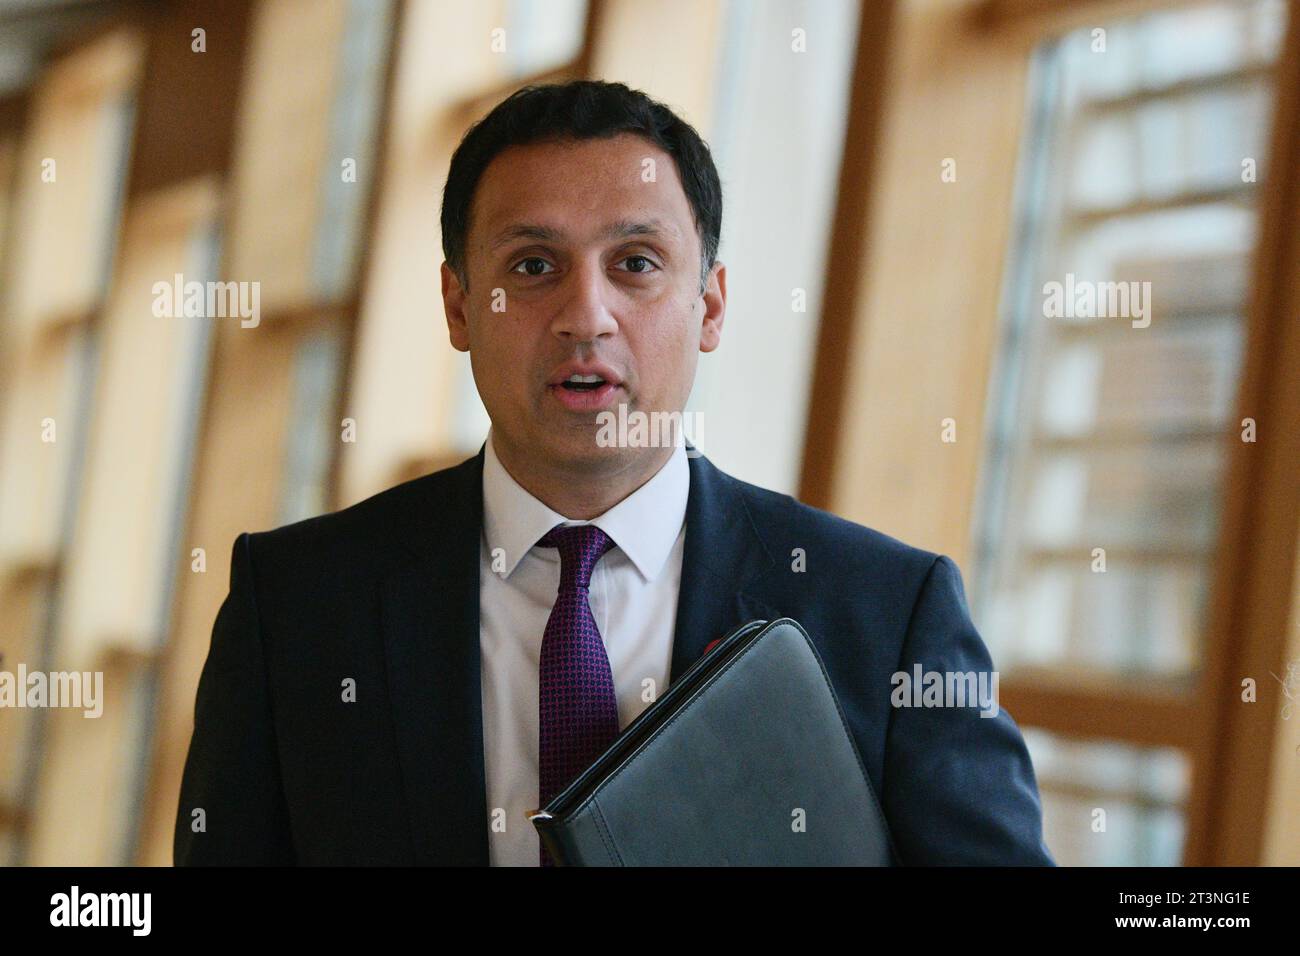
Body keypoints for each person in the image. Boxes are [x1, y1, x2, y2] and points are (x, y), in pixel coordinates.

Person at [174, 79, 1054, 866]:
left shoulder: (886, 614)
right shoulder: (293, 604)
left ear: (709, 305)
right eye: (533, 267)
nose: (585, 315)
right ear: (457, 306)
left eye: (635, 264)